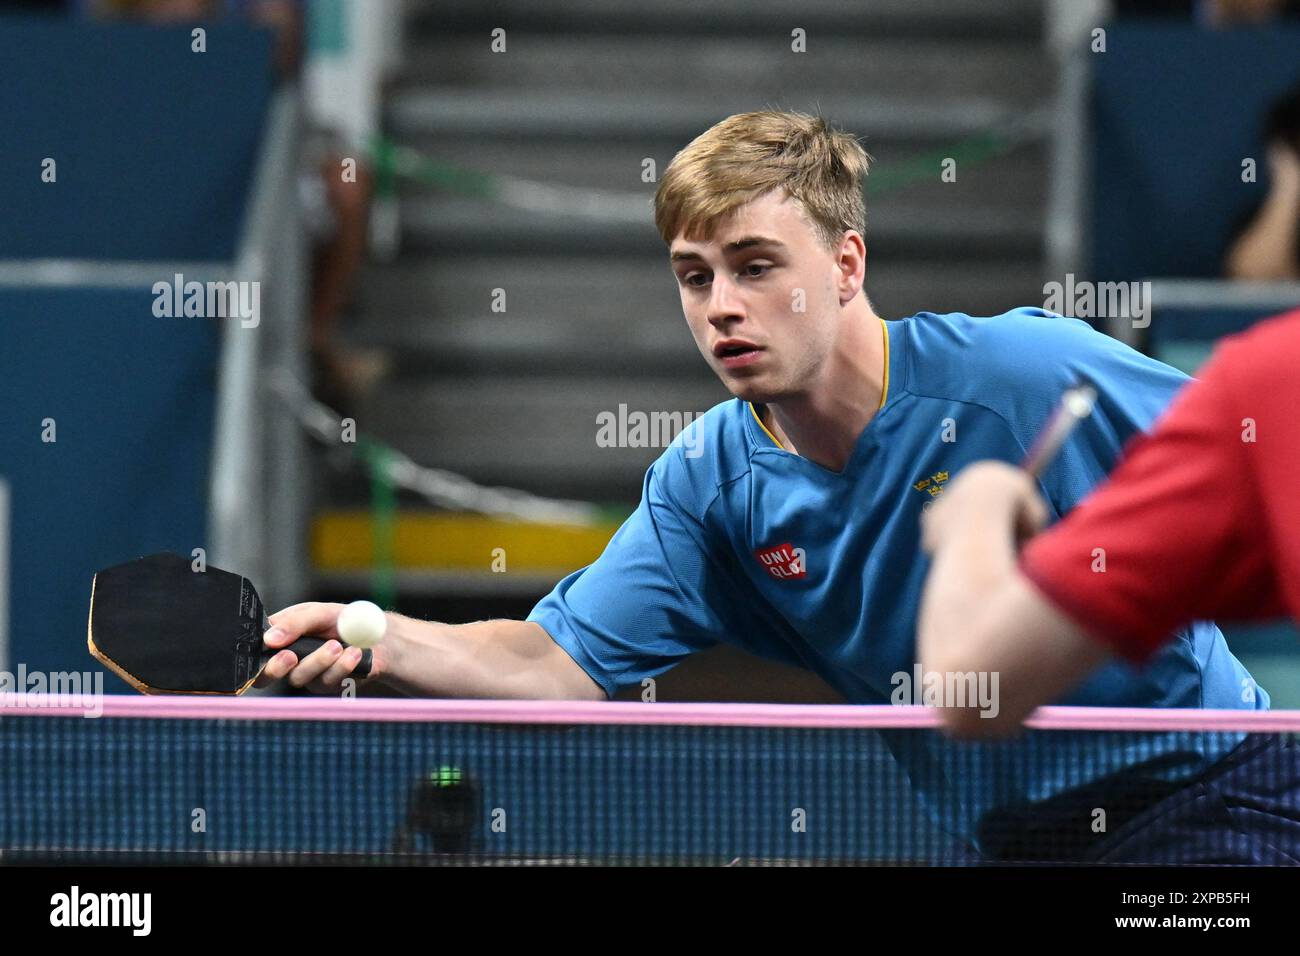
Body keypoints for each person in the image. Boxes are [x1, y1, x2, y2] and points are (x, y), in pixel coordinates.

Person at [263, 111, 1271, 862]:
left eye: (754, 267)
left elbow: (1258, 440)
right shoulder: (710, 486)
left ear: (846, 264)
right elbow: (550, 661)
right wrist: (382, 635)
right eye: (694, 276)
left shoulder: (1023, 375)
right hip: (1007, 839)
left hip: (1214, 792)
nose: (721, 308)